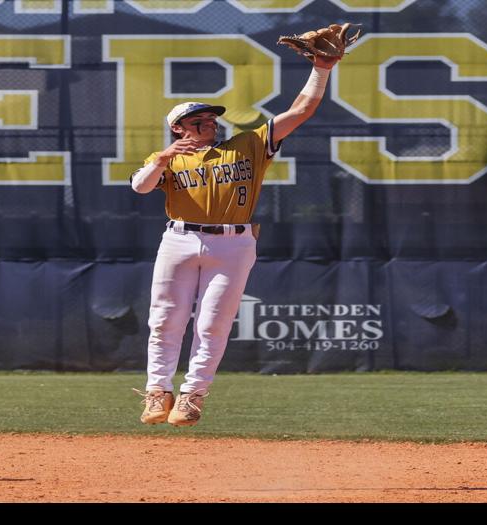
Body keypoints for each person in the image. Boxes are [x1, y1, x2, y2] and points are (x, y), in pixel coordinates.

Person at [129, 51, 342, 426]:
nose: (210, 123)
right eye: (199, 120)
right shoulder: (168, 159)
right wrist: (162, 158)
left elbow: (300, 111)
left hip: (234, 243)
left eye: (212, 118)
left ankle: (192, 395)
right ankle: (157, 391)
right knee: (165, 319)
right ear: (179, 128)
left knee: (214, 323)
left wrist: (321, 70)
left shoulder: (247, 145)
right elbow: (141, 187)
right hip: (179, 238)